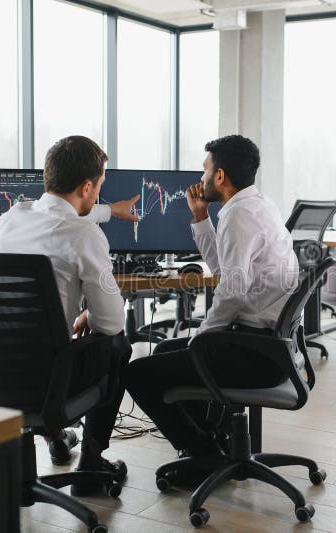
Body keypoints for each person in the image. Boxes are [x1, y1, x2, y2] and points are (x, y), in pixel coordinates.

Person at [124, 134, 299, 462]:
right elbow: (225, 269)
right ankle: (213, 438)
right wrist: (200, 216)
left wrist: (202, 338)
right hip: (272, 347)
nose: (200, 178)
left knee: (136, 373)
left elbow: (231, 292)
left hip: (256, 353)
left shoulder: (238, 215)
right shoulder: (257, 205)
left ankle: (203, 453)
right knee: (164, 349)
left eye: (204, 171)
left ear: (220, 176)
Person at [0, 135, 136, 495]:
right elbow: (111, 323)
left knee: (49, 344)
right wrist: (90, 314)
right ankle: (90, 465)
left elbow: (65, 211)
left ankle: (55, 438)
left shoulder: (10, 218)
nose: (99, 195)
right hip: (44, 381)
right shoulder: (84, 235)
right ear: (87, 186)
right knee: (118, 345)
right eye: (99, 188)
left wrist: (108, 210)